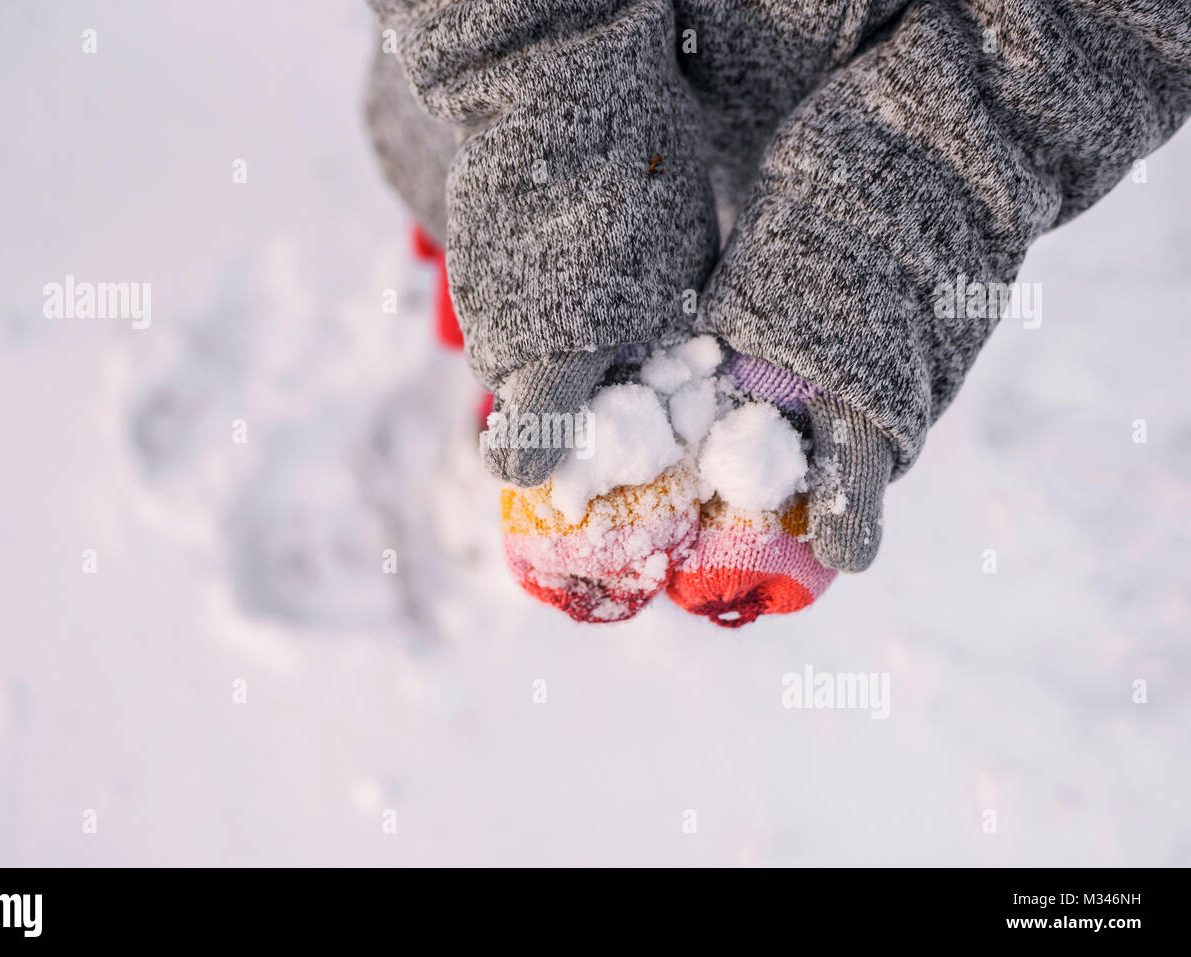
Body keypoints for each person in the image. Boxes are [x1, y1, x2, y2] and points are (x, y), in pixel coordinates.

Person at [365, 0, 1191, 624]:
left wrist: (877, 231)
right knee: (507, 291)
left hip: (857, 151)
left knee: (537, 306)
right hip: (495, 114)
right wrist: (560, 157)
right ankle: (504, 339)